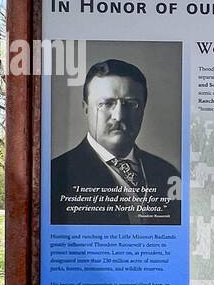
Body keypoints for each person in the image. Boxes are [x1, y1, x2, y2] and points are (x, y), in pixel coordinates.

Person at [50, 58, 180, 225]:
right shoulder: (56, 177)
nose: (119, 116)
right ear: (86, 109)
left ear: (143, 109)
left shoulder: (167, 173)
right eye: (106, 103)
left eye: (131, 104)